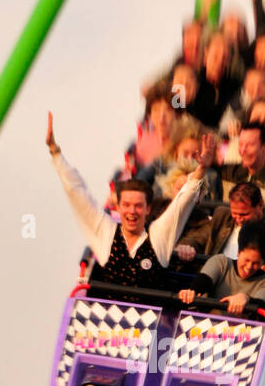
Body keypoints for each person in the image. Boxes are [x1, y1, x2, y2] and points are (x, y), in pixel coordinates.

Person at [47, 112, 205, 291]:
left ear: (147, 209)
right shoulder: (105, 232)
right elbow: (77, 192)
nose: (132, 211)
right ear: (119, 208)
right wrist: (55, 152)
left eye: (138, 206)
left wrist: (200, 170)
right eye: (127, 205)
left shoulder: (158, 236)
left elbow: (182, 203)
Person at [178, 224, 265, 314]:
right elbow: (203, 281)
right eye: (246, 260)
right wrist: (191, 291)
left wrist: (245, 298)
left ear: (264, 262)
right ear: (239, 252)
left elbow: (260, 303)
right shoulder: (221, 262)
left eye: (256, 263)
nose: (249, 267)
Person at [205, 181, 265, 268]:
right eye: (234, 213)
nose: (239, 219)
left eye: (244, 214)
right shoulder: (221, 215)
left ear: (260, 205)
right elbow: (203, 238)